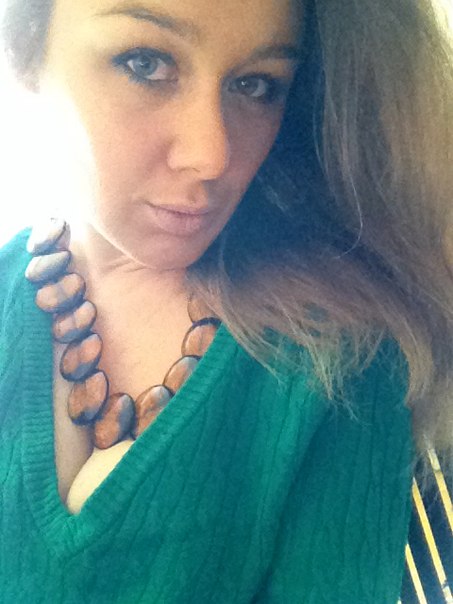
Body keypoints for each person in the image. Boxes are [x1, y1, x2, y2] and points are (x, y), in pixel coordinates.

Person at [0, 0, 452, 602]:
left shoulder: (338, 355)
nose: (212, 155)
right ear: (26, 52)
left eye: (256, 85)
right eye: (145, 62)